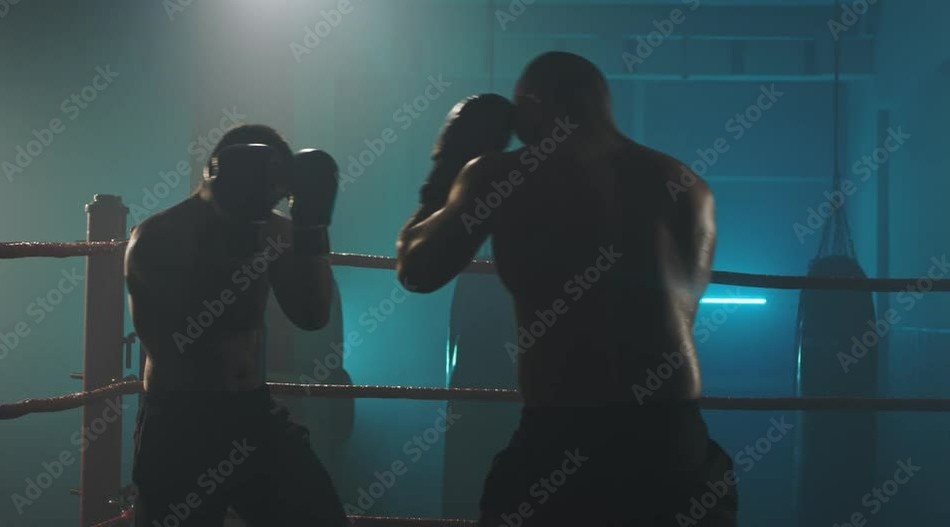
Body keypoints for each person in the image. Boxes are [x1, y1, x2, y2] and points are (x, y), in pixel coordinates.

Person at [396, 52, 737, 526]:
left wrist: (448, 167)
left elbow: (418, 271)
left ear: (531, 104)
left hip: (565, 433)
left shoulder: (502, 175)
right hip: (675, 437)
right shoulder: (688, 185)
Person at [125, 124, 349, 526]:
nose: (270, 201)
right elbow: (176, 346)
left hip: (252, 414)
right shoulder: (158, 236)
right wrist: (238, 230)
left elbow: (313, 316)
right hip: (181, 419)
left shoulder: (275, 229)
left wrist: (311, 225)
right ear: (216, 178)